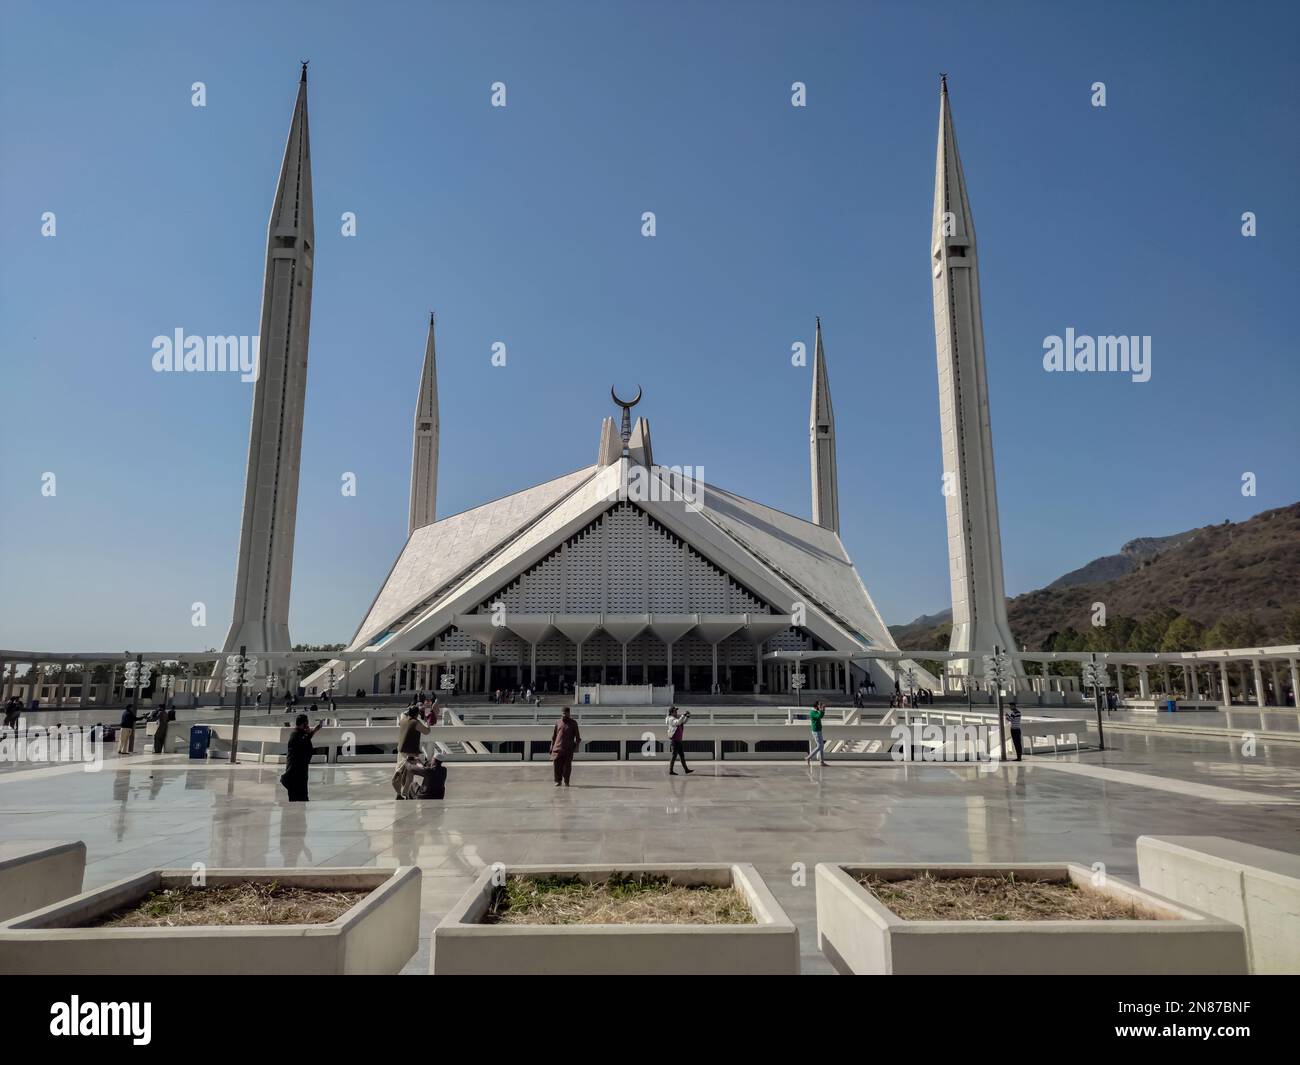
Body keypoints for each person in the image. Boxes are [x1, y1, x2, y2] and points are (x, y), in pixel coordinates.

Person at [281, 714, 323, 802]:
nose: (308, 725)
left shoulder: (300, 734)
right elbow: (304, 740)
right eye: (306, 723)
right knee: (297, 798)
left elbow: (306, 738)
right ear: (303, 724)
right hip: (295, 773)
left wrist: (314, 731)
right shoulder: (295, 735)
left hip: (301, 771)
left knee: (302, 797)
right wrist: (310, 732)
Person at [392, 704, 430, 797]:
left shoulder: (403, 718)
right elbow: (427, 731)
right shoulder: (416, 723)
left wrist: (413, 707)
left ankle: (398, 793)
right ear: (417, 714)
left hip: (401, 750)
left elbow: (403, 713)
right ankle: (405, 792)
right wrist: (426, 721)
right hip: (411, 752)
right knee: (410, 773)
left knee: (399, 770)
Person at [550, 706, 581, 787]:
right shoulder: (558, 722)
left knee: (567, 766)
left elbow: (577, 737)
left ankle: (566, 781)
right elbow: (554, 736)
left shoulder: (573, 723)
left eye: (566, 713)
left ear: (569, 714)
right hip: (557, 748)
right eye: (563, 713)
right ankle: (558, 781)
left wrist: (577, 746)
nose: (564, 715)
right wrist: (551, 747)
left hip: (568, 748)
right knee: (556, 765)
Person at [665, 706, 693, 775]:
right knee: (674, 756)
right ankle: (670, 771)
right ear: (671, 712)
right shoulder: (671, 719)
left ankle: (686, 769)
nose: (676, 712)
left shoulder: (675, 718)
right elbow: (678, 722)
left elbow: (683, 722)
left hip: (678, 740)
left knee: (682, 756)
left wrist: (687, 716)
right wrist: (683, 715)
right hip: (675, 740)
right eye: (675, 711)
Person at [805, 699, 826, 765]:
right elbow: (819, 716)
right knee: (819, 746)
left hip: (819, 730)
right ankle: (808, 757)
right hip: (815, 731)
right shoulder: (812, 712)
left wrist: (823, 710)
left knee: (821, 746)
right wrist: (821, 709)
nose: (820, 706)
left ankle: (821, 762)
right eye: (819, 704)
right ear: (816, 705)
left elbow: (821, 716)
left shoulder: (816, 711)